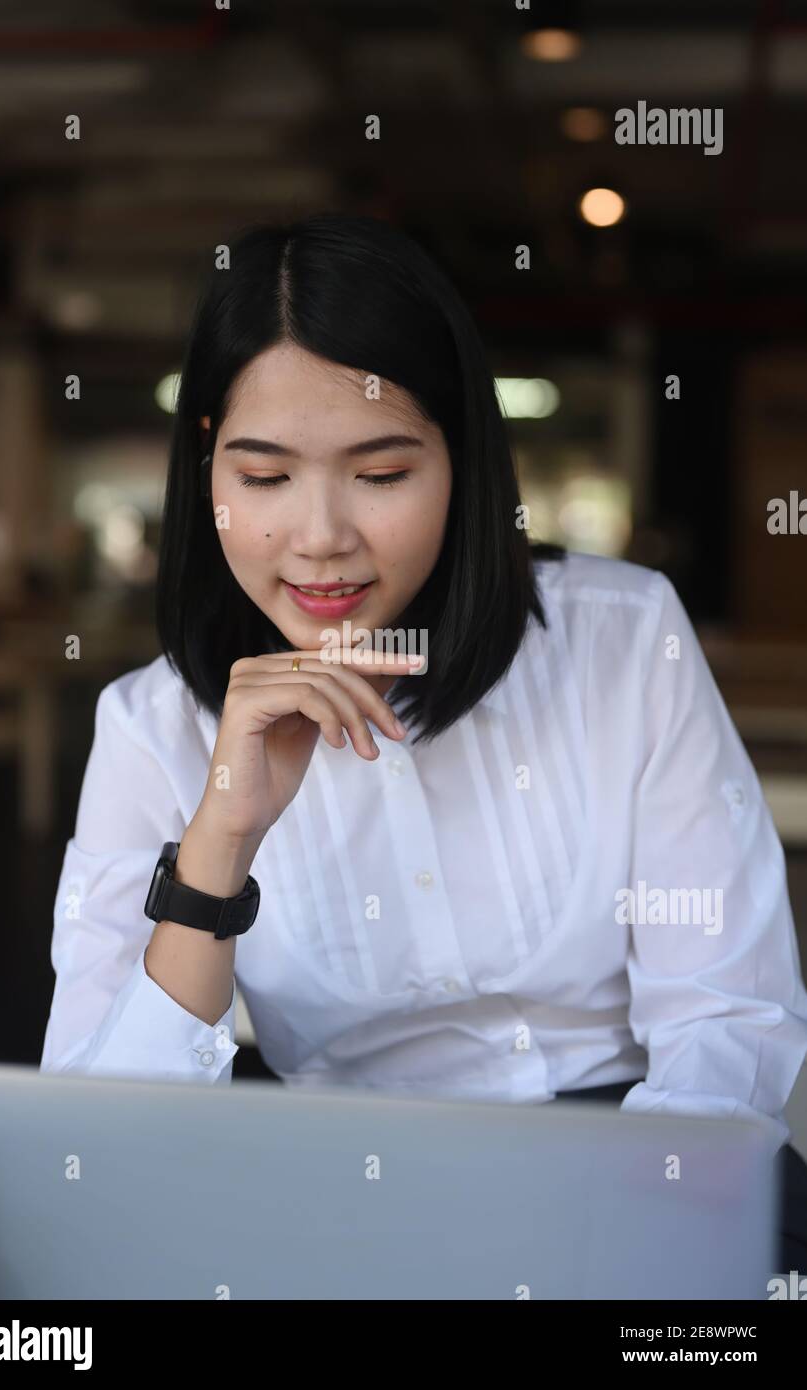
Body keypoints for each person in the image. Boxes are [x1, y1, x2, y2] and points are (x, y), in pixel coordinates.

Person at [40, 212, 807, 1277]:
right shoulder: (151, 726)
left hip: (635, 1159)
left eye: (381, 473)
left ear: (462, 461)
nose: (318, 536)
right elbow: (95, 1158)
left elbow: (727, 1013)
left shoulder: (621, 638)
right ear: (206, 468)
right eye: (262, 479)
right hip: (354, 1192)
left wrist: (618, 1227)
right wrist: (218, 843)